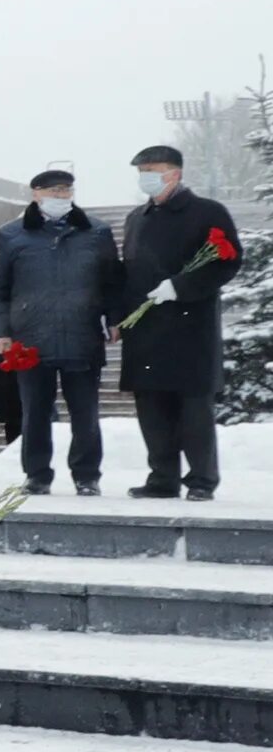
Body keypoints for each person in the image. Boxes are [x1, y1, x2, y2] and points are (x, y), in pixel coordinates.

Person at [118, 144, 243, 502]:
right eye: (141, 171)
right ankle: (162, 478)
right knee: (153, 411)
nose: (146, 177)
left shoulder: (207, 212)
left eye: (153, 169)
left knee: (193, 411)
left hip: (190, 327)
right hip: (144, 329)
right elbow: (128, 271)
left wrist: (181, 286)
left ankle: (202, 480)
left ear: (175, 172)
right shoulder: (136, 218)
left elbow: (227, 261)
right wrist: (118, 315)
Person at [0, 167, 120, 496]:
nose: (61, 196)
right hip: (30, 338)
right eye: (53, 190)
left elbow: (114, 282)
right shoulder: (12, 235)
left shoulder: (96, 233)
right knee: (34, 413)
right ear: (36, 194)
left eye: (66, 190)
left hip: (82, 334)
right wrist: (0, 331)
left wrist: (115, 318)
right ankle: (37, 474)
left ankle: (87, 475)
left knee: (85, 412)